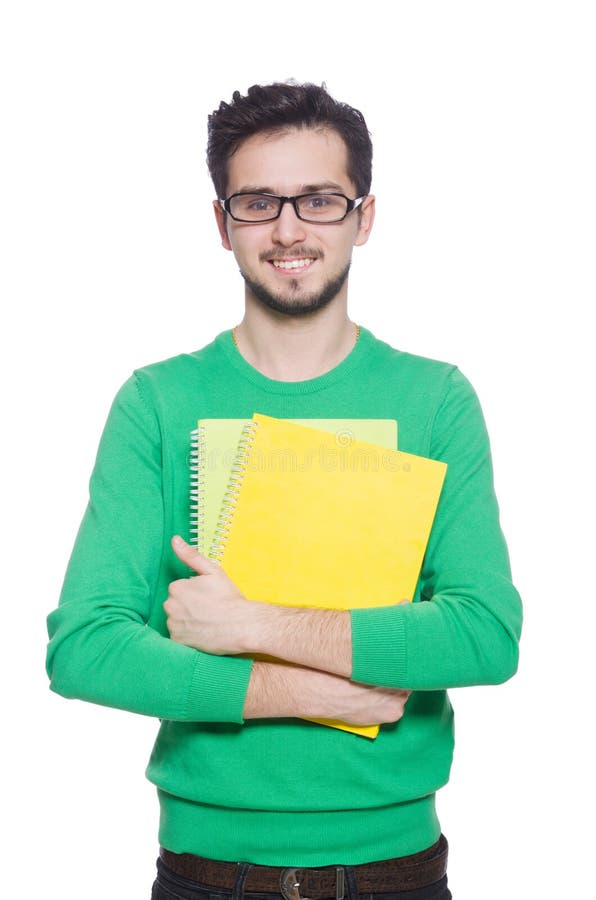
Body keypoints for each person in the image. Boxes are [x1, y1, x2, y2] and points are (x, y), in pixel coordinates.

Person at [46, 81, 522, 900]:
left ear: (364, 218)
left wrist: (254, 625)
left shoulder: (436, 400)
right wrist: (307, 689)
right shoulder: (159, 404)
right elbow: (83, 647)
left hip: (393, 872)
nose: (289, 229)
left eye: (320, 200)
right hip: (206, 871)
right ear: (222, 224)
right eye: (259, 202)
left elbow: (485, 635)